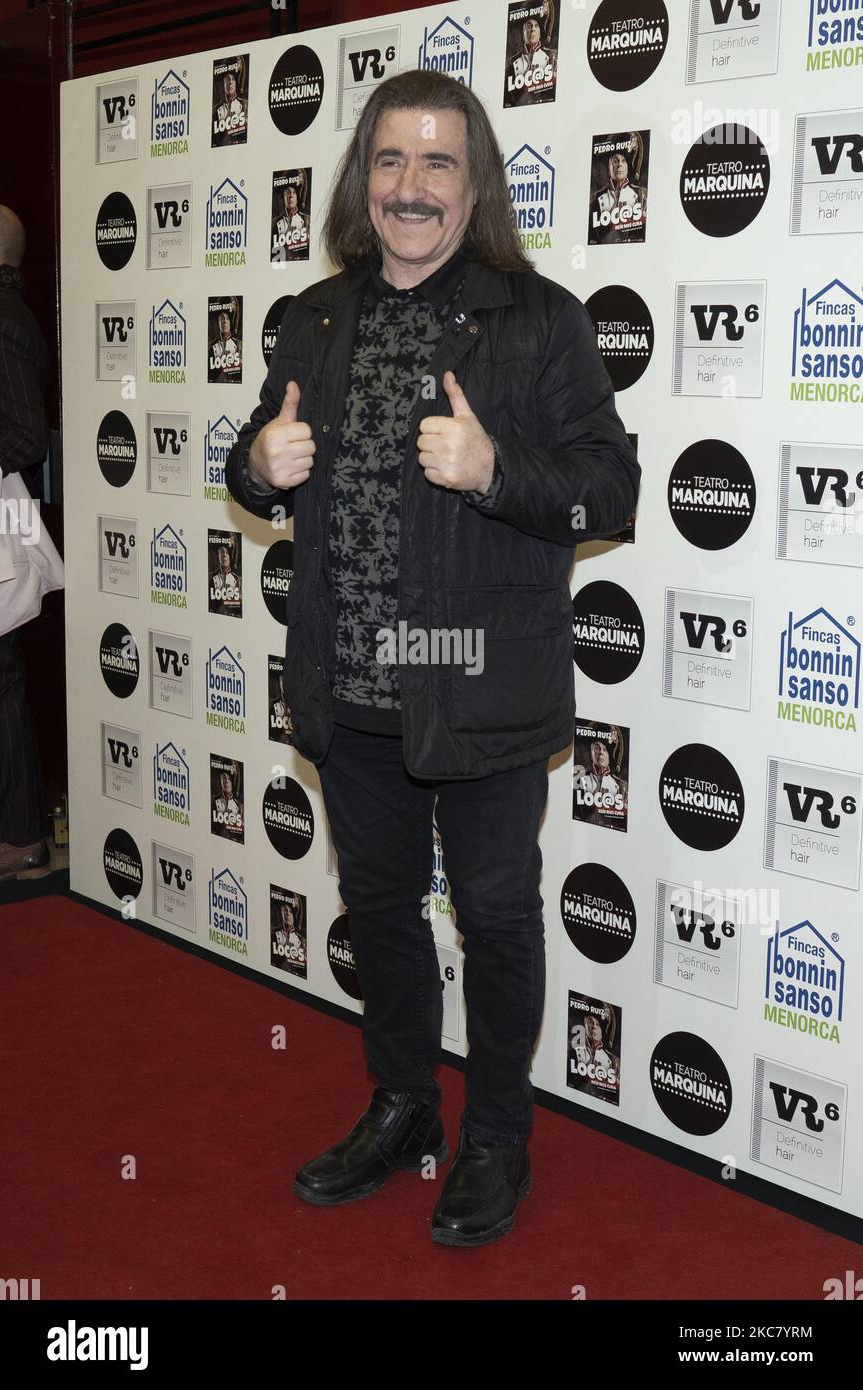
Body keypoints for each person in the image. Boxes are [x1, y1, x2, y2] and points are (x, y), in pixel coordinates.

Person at [225, 69, 640, 1246]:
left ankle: (495, 1130)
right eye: (392, 162)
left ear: (475, 183)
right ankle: (403, 1102)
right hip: (347, 688)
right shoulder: (313, 313)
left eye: (438, 163)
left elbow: (611, 487)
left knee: (497, 917)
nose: (410, 188)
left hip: (475, 680)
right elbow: (250, 467)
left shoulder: (538, 317)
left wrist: (493, 468)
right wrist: (260, 462)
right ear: (363, 176)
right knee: (381, 908)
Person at [0, 204, 51, 882]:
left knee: (0, 679)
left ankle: (19, 837)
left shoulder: (3, 316)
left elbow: (24, 434)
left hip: (4, 525)